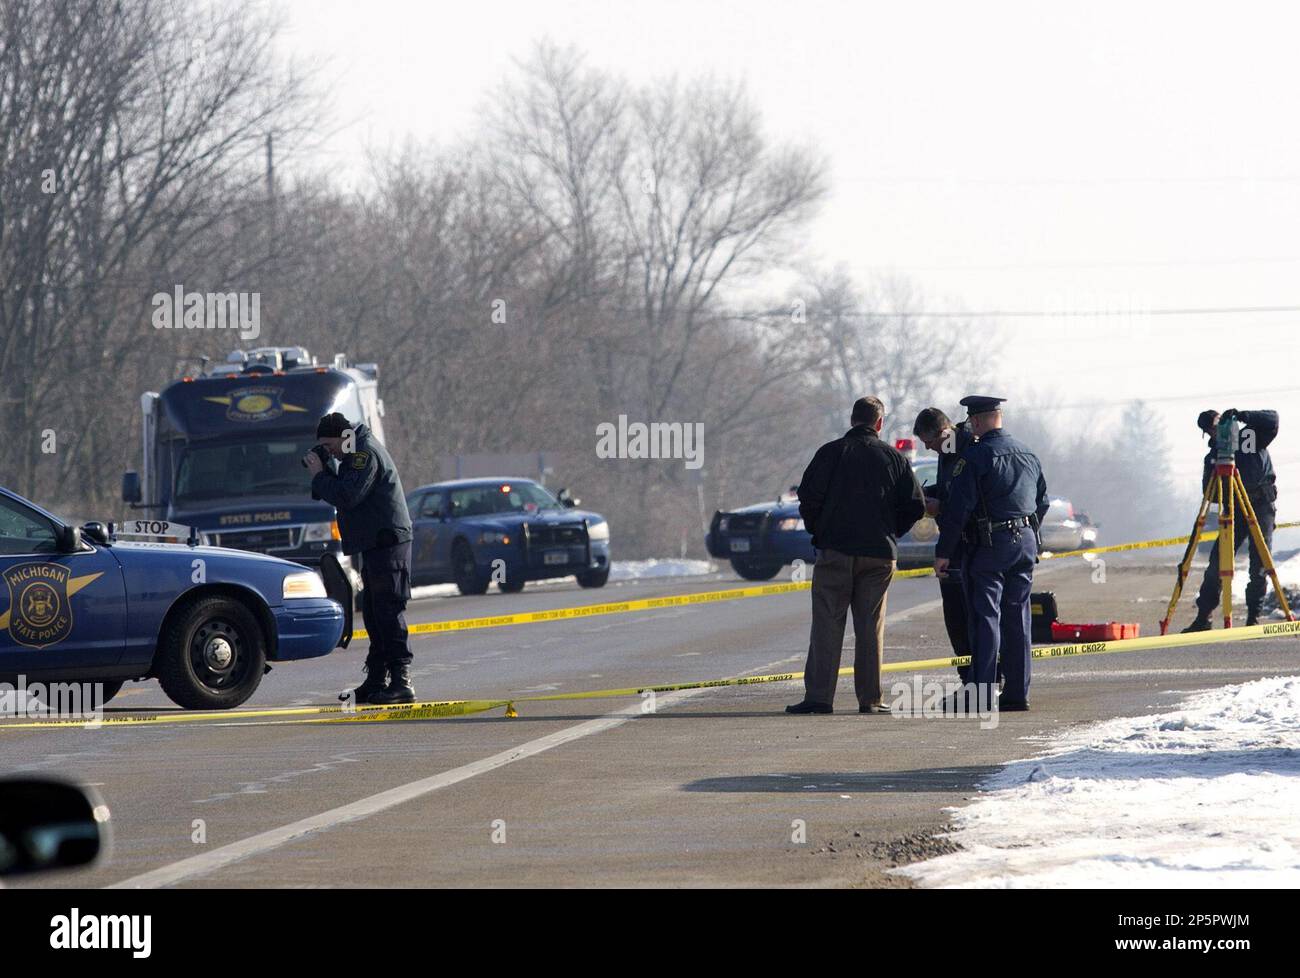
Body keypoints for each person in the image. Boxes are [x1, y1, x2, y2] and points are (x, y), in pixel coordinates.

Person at [787, 396, 926, 715]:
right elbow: (916, 504)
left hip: (835, 551)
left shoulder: (830, 453)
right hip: (879, 554)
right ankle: (871, 699)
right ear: (879, 423)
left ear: (852, 420)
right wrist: (892, 532)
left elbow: (807, 497)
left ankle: (820, 698)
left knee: (826, 624)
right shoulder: (894, 458)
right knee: (870, 626)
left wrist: (820, 532)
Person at [935, 396, 1049, 712]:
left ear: (979, 420)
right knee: (1018, 617)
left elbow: (959, 509)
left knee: (985, 617)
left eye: (972, 421)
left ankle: (982, 692)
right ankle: (1017, 693)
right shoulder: (1027, 452)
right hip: (1025, 542)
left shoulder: (976, 457)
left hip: (990, 545)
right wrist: (1029, 528)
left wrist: (944, 552)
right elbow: (1043, 501)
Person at [304, 412, 416, 704]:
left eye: (330, 447)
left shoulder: (363, 454)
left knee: (388, 611)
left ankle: (401, 681)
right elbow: (342, 490)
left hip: (388, 542)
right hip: (376, 543)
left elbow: (348, 495)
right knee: (373, 612)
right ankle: (377, 679)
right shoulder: (354, 451)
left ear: (345, 437)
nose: (330, 453)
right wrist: (326, 470)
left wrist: (319, 475)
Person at [1183, 408, 1280, 631]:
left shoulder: (1250, 437)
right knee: (1217, 563)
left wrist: (1245, 415)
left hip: (1260, 504)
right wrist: (1219, 471)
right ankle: (1203, 617)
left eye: (1218, 425)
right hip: (1234, 508)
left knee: (1260, 564)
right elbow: (1210, 494)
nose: (1215, 432)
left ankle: (1253, 618)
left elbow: (1273, 419)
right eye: (1210, 430)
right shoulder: (1214, 457)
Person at [912, 407, 976, 682]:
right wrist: (925, 495)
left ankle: (986, 678)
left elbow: (968, 503)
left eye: (929, 441)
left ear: (943, 431)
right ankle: (967, 678)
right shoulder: (946, 453)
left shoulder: (970, 451)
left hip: (969, 547)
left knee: (973, 617)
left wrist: (942, 506)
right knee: (955, 619)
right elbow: (949, 488)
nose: (927, 448)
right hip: (953, 545)